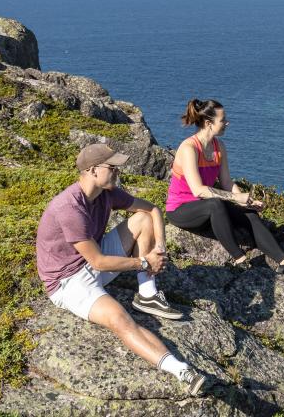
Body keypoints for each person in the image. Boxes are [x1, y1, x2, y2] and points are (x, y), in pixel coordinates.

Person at [36, 143, 206, 395]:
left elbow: (153, 210)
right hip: (68, 282)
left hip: (95, 257)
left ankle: (147, 293)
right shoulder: (69, 208)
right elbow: (99, 262)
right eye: (112, 168)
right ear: (93, 170)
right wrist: (145, 262)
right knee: (120, 320)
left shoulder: (106, 193)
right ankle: (181, 370)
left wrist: (158, 249)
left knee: (142, 219)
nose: (118, 172)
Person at [165, 98, 284, 279]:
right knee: (215, 204)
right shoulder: (189, 148)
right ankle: (240, 260)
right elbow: (198, 190)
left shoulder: (219, 147)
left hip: (206, 205)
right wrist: (234, 199)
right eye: (223, 119)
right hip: (180, 209)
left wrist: (246, 200)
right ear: (209, 123)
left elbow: (226, 182)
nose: (227, 122)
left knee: (249, 214)